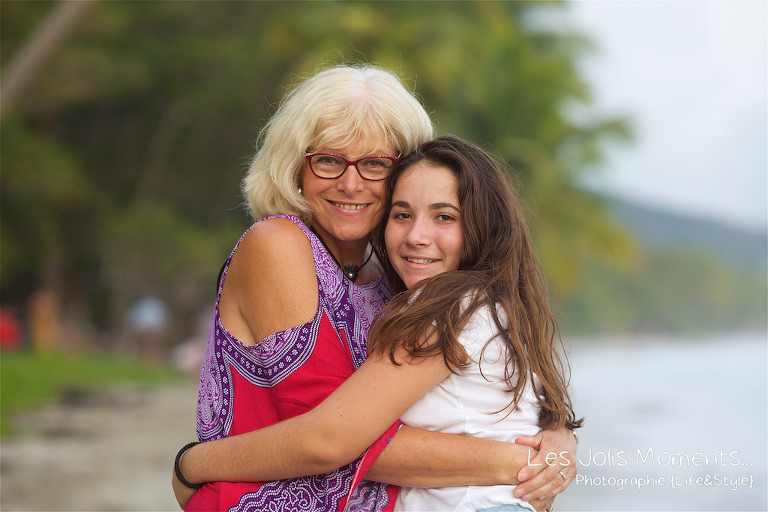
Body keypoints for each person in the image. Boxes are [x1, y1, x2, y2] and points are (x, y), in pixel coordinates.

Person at [173, 66, 578, 512]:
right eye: (328, 160)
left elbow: (495, 395)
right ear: (295, 167)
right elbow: (331, 438)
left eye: (374, 164)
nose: (351, 183)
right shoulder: (279, 243)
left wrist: (557, 442)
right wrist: (520, 463)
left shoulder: (403, 275)